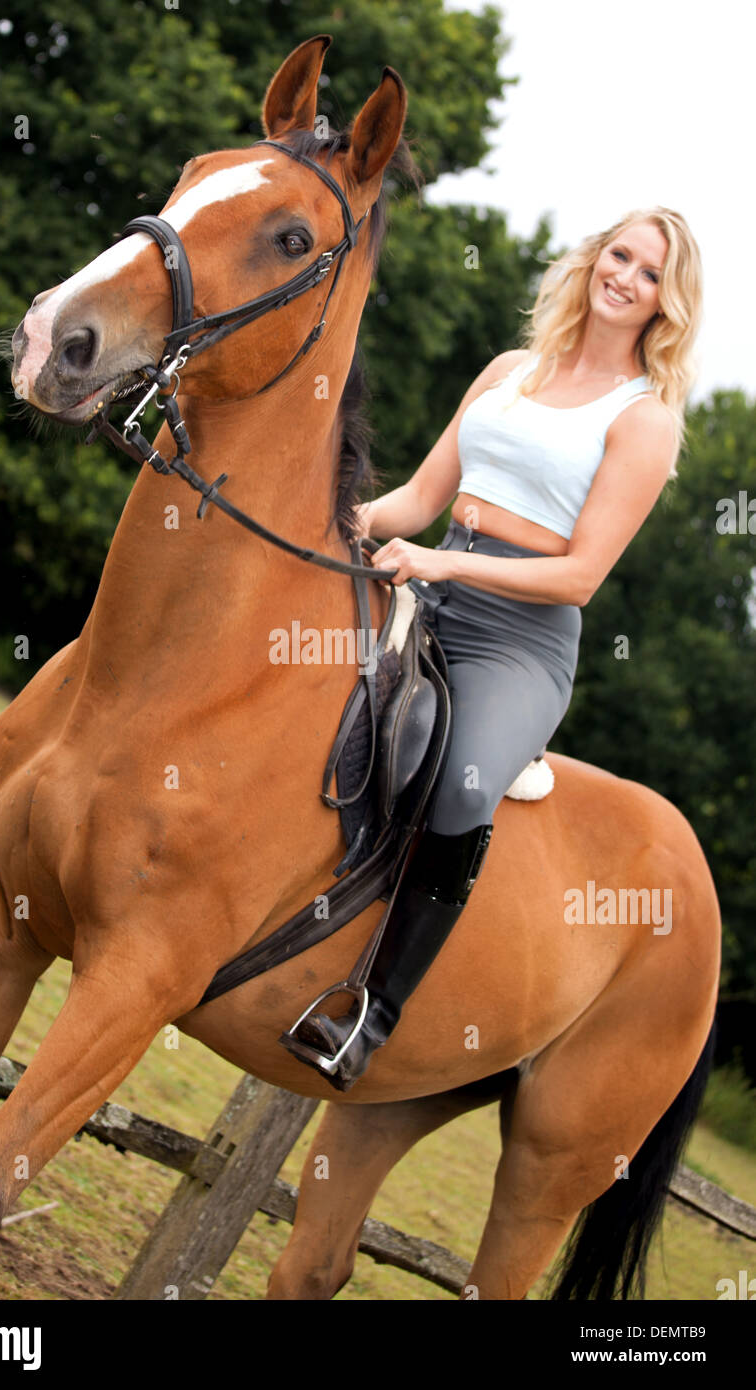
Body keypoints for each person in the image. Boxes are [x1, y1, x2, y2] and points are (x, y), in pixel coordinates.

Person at [280, 206, 703, 1091]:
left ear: (669, 301)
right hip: (429, 590)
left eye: (651, 273)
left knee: (466, 780)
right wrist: (334, 527)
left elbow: (582, 575)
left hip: (518, 640)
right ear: (596, 258)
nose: (626, 276)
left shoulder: (644, 420)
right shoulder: (512, 371)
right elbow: (421, 495)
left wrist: (437, 559)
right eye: (620, 254)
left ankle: (372, 1012)